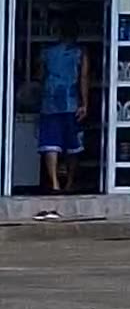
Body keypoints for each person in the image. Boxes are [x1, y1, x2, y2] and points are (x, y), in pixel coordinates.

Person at [37, 33, 87, 194]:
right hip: (71, 102)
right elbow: (83, 78)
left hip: (49, 101)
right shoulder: (80, 53)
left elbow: (40, 76)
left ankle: (54, 182)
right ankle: (70, 183)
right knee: (73, 145)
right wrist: (85, 103)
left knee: (50, 143)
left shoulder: (46, 52)